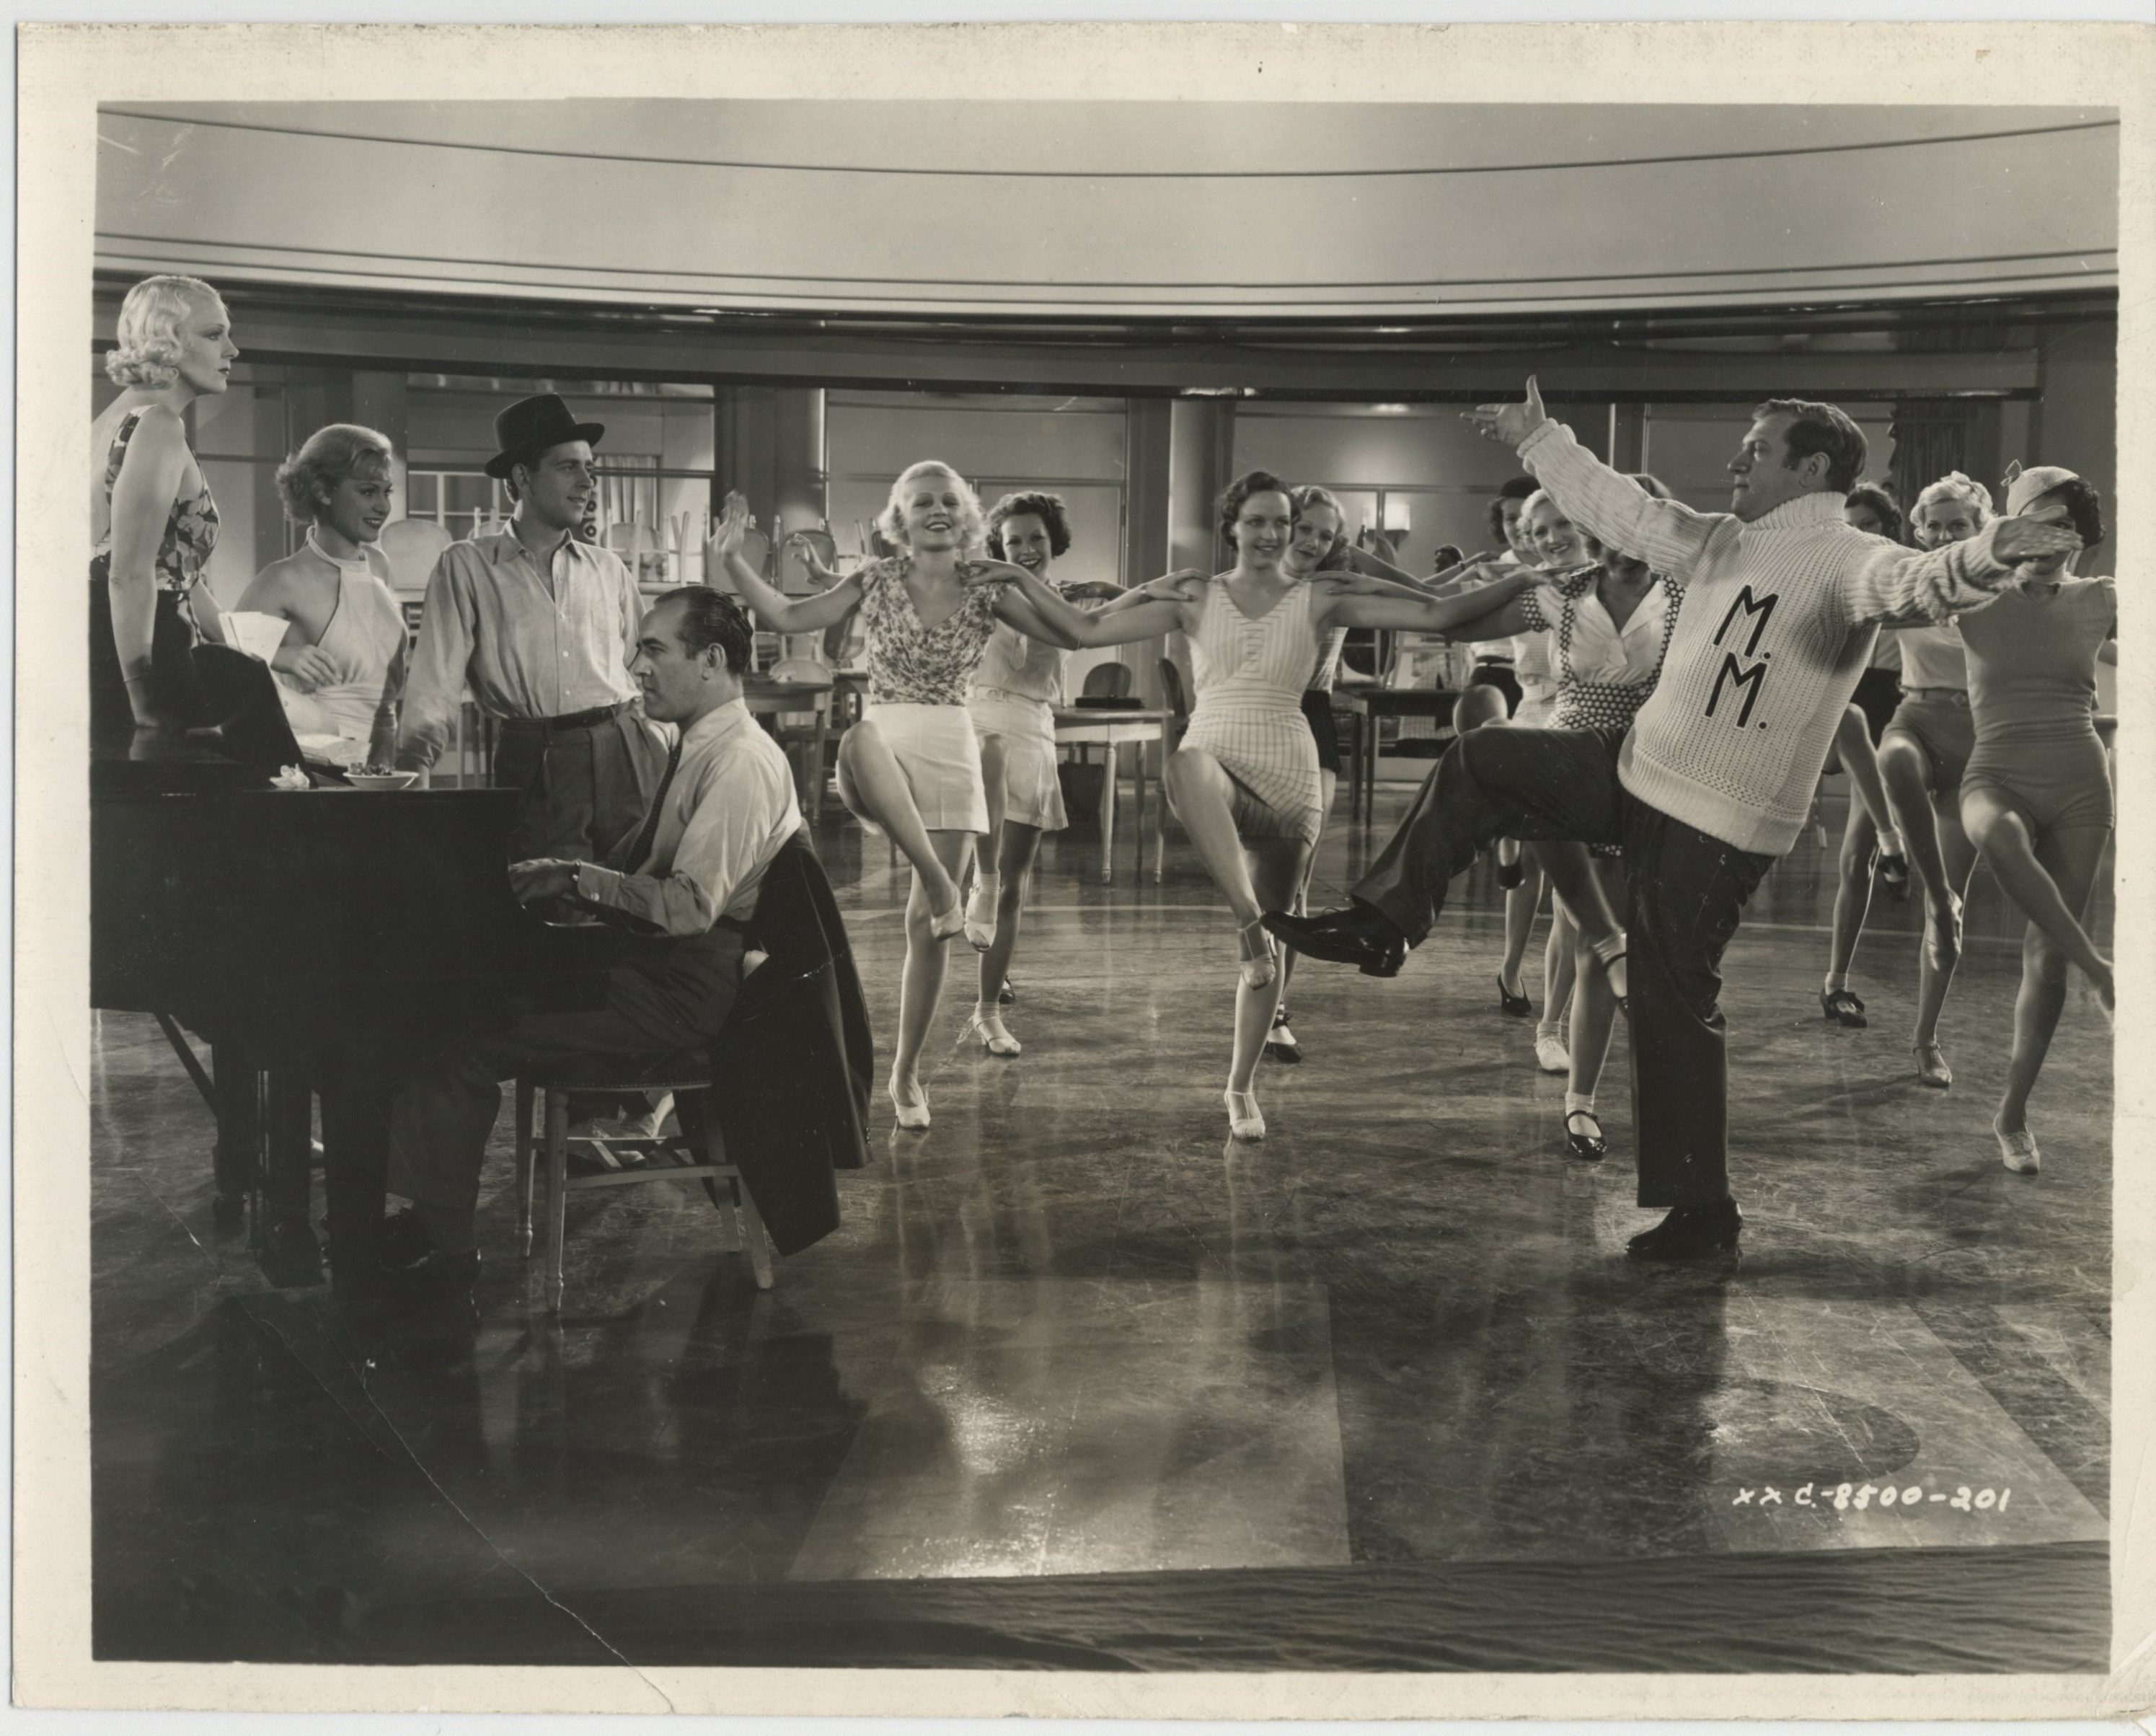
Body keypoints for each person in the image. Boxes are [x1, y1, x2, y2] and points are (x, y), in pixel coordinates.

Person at [1267, 379, 2080, 1259]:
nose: (1736, 458)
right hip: (1632, 769)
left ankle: (1702, 1212)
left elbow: (1923, 582)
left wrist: (2002, 547)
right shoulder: (1717, 540)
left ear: (1809, 468)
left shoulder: (1849, 558)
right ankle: (1385, 923)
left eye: (1756, 448)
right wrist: (1539, 438)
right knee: (1483, 754)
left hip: (1720, 821)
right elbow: (1617, 509)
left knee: (1669, 995)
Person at [991, 470, 1540, 1142]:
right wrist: (1008, 579)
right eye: (1258, 521)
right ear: (1232, 526)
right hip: (1217, 754)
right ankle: (1247, 920)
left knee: (1287, 926)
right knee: (1185, 767)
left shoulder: (1322, 595)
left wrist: (1527, 576)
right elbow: (1081, 630)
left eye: (1282, 522)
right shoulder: (1194, 592)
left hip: (1290, 770)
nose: (1272, 534)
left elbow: (1439, 614)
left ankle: (1240, 1084)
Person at [381, 589, 801, 1293]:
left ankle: (442, 1251)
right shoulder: (701, 744)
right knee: (467, 1004)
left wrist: (579, 877)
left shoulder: (739, 763)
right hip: (665, 970)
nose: (634, 665)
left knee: (462, 1039)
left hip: (688, 993)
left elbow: (689, 907)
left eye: (654, 649)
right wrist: (565, 881)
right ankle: (431, 1217)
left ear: (712, 660)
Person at [711, 463, 1096, 1131]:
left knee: (925, 930)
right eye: (923, 502)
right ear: (900, 518)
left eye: (950, 500)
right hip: (882, 745)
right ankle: (947, 888)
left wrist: (1022, 576)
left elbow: (1076, 634)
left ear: (968, 516)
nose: (938, 510)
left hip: (951, 742)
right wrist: (730, 561)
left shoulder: (984, 586)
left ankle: (906, 1072)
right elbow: (784, 613)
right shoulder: (877, 579)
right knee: (858, 735)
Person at [1428, 480, 1684, 1160]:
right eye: (1533, 531)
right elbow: (1444, 620)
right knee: (1592, 935)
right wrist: (1529, 574)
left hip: (1651, 764)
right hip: (1570, 755)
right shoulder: (1559, 597)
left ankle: (1587, 1096)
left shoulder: (1685, 593)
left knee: (1618, 938)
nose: (1545, 539)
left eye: (1556, 527)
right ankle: (1577, 1094)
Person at [394, 394, 666, 863]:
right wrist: (414, 766)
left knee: (636, 898)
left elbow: (642, 669)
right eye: (569, 468)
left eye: (590, 468)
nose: (587, 483)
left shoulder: (608, 568)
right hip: (535, 756)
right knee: (547, 903)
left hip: (625, 748)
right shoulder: (467, 566)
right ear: (522, 477)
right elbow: (435, 685)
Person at [1954, 465, 2116, 1174]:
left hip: (2081, 784)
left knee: (2041, 960)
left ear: (2079, 535)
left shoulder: (2101, 599)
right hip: (1994, 774)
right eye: (2031, 521)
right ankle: (2102, 971)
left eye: (2060, 525)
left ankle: (2012, 1114)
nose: (2045, 539)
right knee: (1995, 834)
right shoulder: (1967, 597)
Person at [960, 490, 1123, 1056]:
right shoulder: (983, 589)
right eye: (1014, 541)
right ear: (998, 548)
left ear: (1054, 543)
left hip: (1032, 726)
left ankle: (987, 1010)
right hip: (976, 723)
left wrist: (1104, 590)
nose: (1026, 549)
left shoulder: (1062, 602)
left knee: (1012, 885)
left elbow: (1120, 617)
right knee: (969, 878)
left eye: (1036, 539)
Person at [1869, 474, 1992, 1086]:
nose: (1945, 534)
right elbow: (1848, 625)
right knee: (1891, 759)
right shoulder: (1907, 583)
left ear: (1979, 529)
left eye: (1958, 525)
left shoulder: (2002, 589)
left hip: (1978, 745)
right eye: (1935, 525)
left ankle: (1925, 1037)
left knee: (1949, 918)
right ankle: (1933, 888)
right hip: (1914, 719)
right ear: (1920, 532)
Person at [90, 274, 240, 741]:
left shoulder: (106, 422)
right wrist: (144, 699)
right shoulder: (158, 424)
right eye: (214, 335)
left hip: (111, 640)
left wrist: (243, 648)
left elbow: (172, 569)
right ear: (167, 343)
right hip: (147, 653)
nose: (232, 350)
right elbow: (127, 573)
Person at [238, 424, 407, 768]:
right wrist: (278, 655)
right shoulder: (283, 579)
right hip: (324, 758)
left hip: (388, 748)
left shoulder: (377, 564)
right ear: (322, 490)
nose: (383, 506)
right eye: (368, 492)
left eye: (386, 492)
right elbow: (226, 666)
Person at [1814, 485, 1920, 1030]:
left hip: (1895, 712)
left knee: (1855, 862)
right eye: (1849, 523)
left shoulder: (1910, 571)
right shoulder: (1835, 576)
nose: (1859, 531)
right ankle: (1893, 841)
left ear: (1889, 526)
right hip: (1840, 711)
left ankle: (1837, 983)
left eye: (1870, 523)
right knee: (1849, 719)